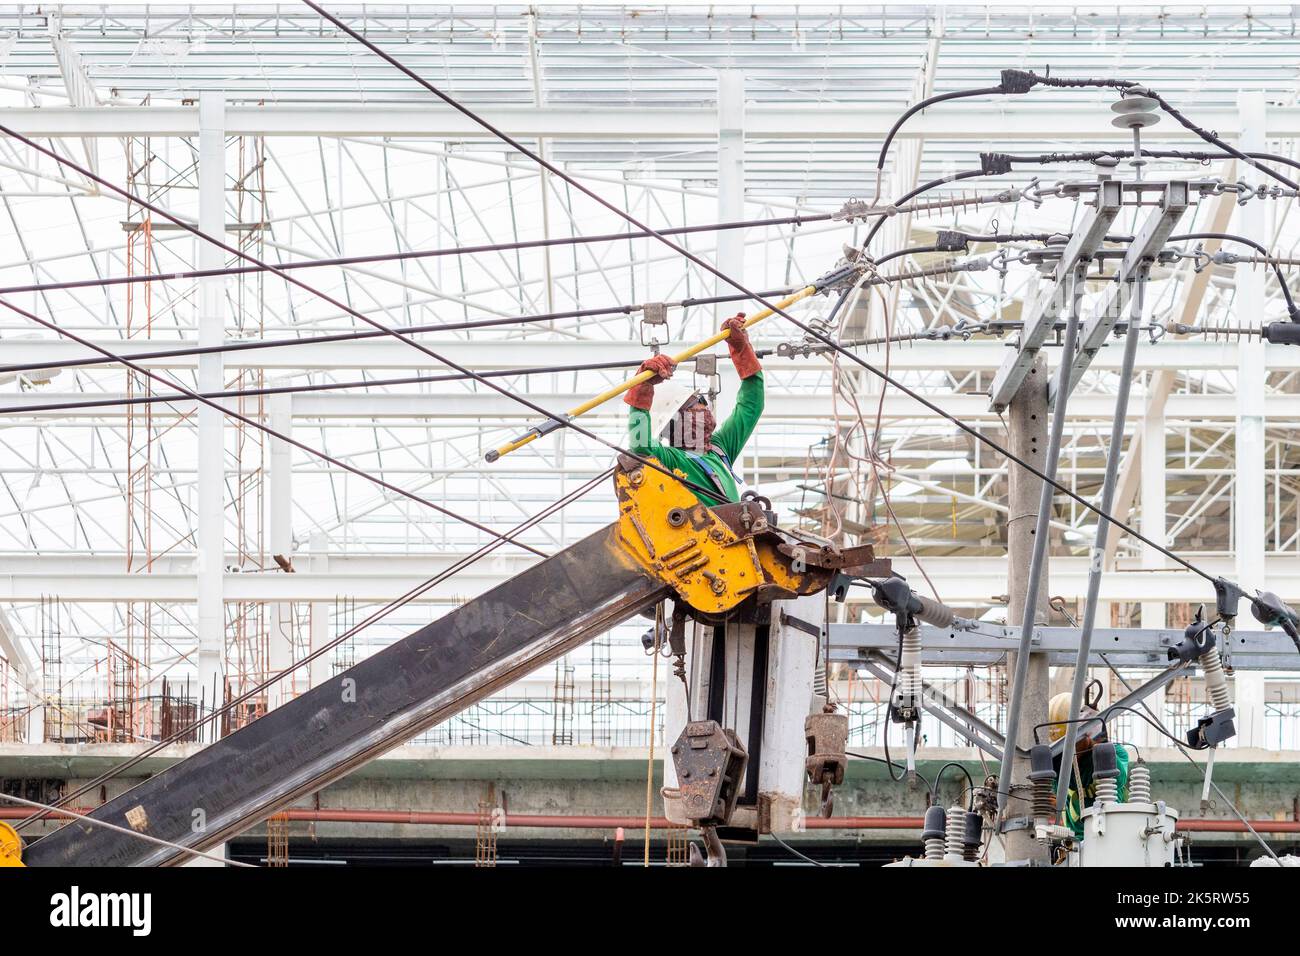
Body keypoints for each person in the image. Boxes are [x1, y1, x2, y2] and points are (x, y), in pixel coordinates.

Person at [623, 313, 763, 506]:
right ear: (676, 422)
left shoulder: (719, 449)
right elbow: (640, 445)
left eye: (702, 400)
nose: (705, 406)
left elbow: (751, 404)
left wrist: (742, 351)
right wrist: (642, 388)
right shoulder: (671, 459)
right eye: (697, 402)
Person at [1046, 690, 1130, 839]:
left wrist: (1099, 741)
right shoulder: (1057, 763)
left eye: (1073, 742)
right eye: (1061, 745)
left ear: (1086, 733)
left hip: (1111, 837)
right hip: (1076, 843)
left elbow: (1118, 780)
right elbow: (1052, 798)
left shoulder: (1116, 752)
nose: (1068, 749)